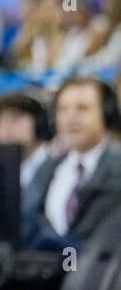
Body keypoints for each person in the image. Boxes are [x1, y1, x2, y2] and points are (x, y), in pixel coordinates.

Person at [22, 77, 121, 249]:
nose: (71, 117)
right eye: (63, 109)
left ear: (106, 114)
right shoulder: (47, 168)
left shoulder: (117, 168)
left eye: (83, 108)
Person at [0, 91, 53, 195]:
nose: (5, 128)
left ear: (38, 123)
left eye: (14, 119)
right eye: (0, 122)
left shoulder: (57, 164)